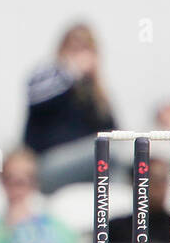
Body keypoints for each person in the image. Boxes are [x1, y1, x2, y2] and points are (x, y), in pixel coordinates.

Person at [23, 22, 116, 193]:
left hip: (84, 164)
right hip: (46, 165)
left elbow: (112, 130)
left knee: (126, 151)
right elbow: (36, 98)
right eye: (74, 48)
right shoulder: (47, 76)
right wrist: (71, 72)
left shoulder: (95, 93)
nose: (80, 56)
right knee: (110, 151)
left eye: (86, 49)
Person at [0, 147, 80, 243]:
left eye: (24, 181)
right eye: (10, 179)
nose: (17, 189)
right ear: (1, 182)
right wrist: (9, 231)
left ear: (35, 184)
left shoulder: (59, 230)